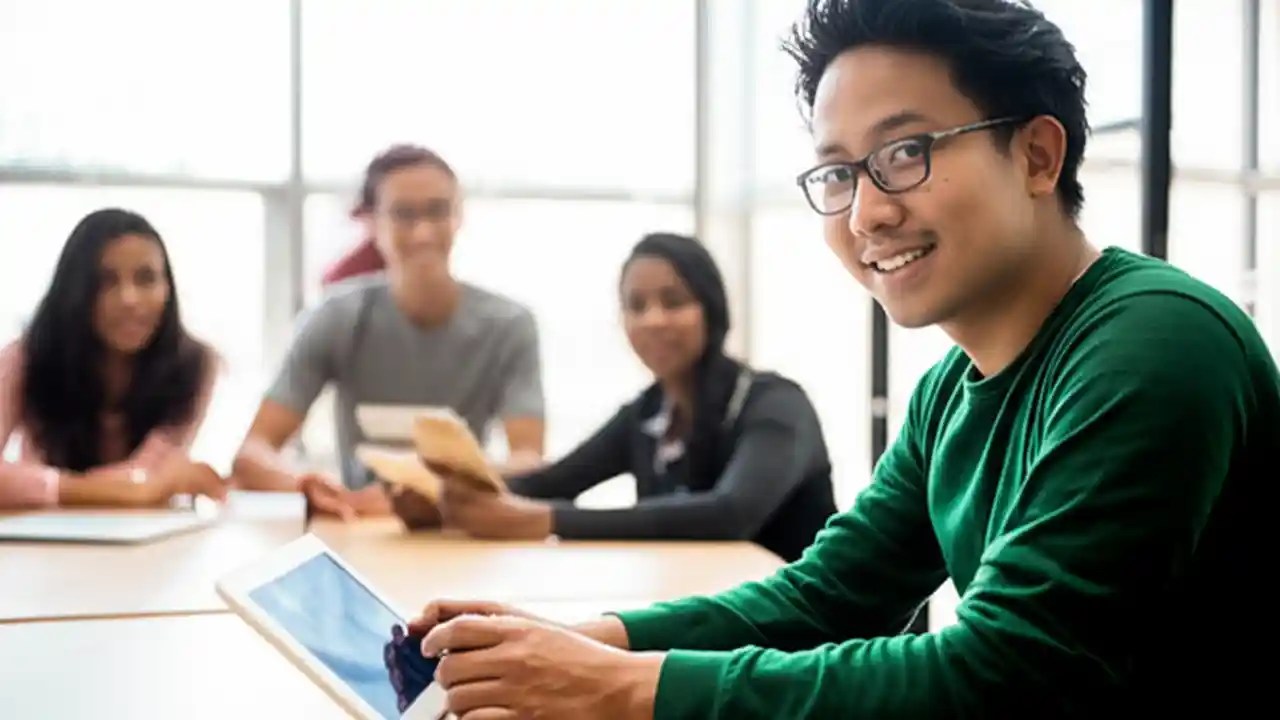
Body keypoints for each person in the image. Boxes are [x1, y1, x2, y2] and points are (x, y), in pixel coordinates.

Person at [401, 0, 1280, 717]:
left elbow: (1011, 674)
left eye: (905, 154)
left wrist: (618, 687)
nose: (865, 215)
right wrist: (576, 640)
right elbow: (824, 597)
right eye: (837, 174)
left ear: (1038, 155)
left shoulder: (1156, 341)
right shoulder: (950, 392)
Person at [421, 232, 838, 562]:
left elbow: (729, 514)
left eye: (673, 302)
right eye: (635, 306)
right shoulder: (648, 413)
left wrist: (544, 521)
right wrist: (441, 500)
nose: (652, 320)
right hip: (708, 620)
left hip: (806, 642)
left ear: (711, 309)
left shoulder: (776, 404)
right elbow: (553, 481)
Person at [233, 144, 546, 519]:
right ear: (371, 222)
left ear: (459, 215)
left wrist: (441, 489)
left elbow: (529, 460)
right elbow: (253, 452)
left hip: (458, 529)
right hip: (357, 523)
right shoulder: (335, 317)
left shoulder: (509, 325)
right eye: (403, 214)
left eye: (437, 211)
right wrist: (307, 483)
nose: (423, 232)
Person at [0, 208, 226, 509]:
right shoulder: (26, 356)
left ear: (167, 288)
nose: (129, 299)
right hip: (40, 539)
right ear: (75, 291)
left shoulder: (194, 365)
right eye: (106, 281)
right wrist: (127, 489)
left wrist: (37, 484)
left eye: (146, 279)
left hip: (145, 542)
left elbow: (147, 475)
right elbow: (144, 486)